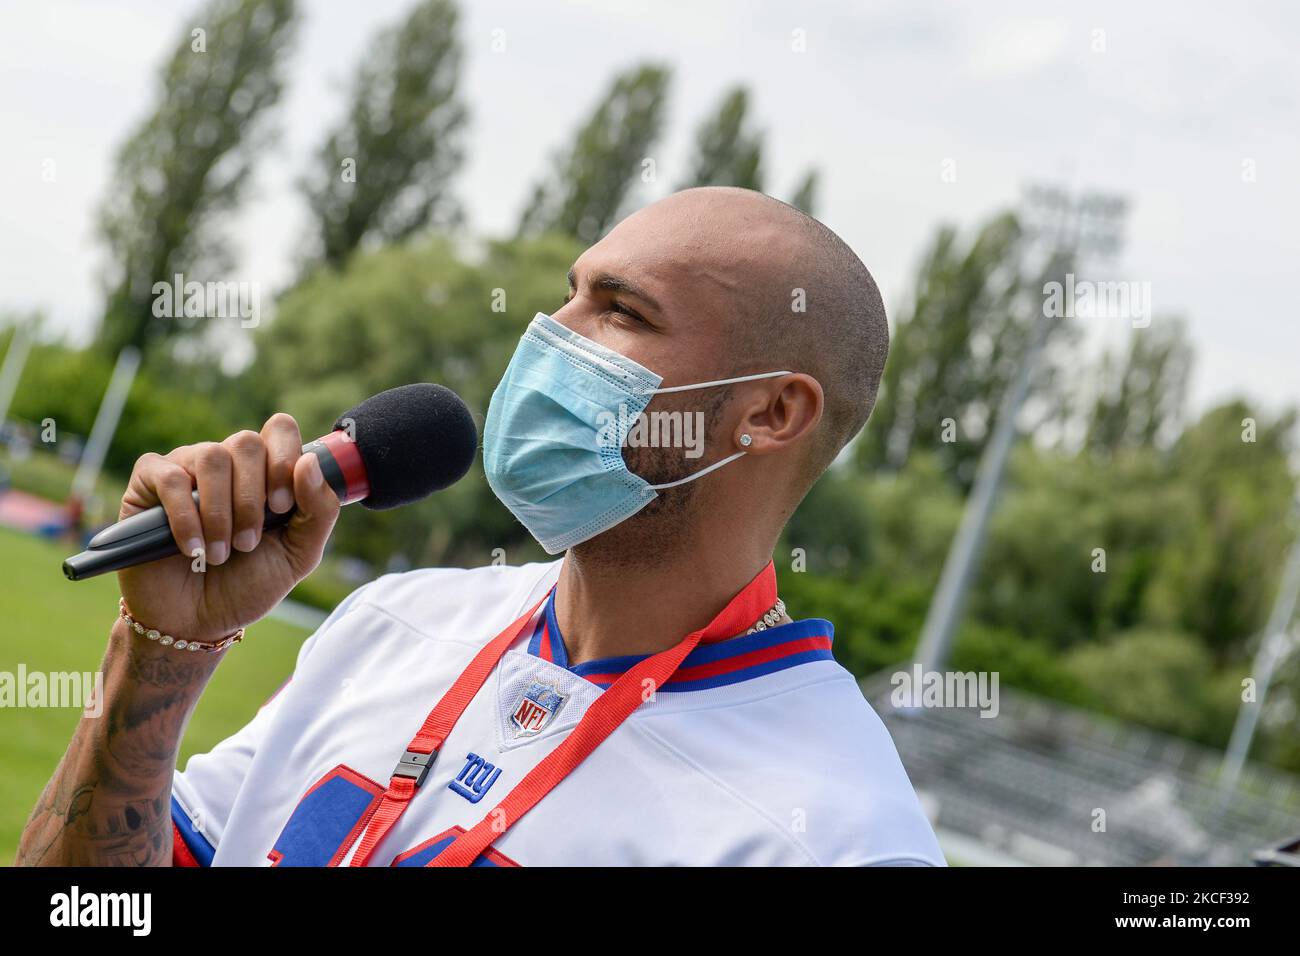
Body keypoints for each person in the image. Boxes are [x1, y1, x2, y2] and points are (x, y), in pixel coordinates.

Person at [18, 187, 943, 867]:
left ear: (773, 413)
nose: (550, 332)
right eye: (569, 293)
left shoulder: (840, 836)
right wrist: (163, 652)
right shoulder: (391, 623)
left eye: (621, 311)